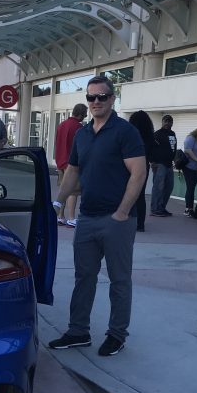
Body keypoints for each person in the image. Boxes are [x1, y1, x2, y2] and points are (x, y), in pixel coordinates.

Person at [48, 75, 147, 357]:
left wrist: (122, 212)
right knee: (84, 278)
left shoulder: (125, 132)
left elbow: (138, 174)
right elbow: (73, 173)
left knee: (119, 280)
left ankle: (117, 335)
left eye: (101, 97)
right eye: (90, 97)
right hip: (87, 219)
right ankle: (78, 331)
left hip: (117, 220)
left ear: (112, 99)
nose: (95, 102)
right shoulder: (82, 134)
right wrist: (57, 203)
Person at [54, 104, 88, 227]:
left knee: (63, 189)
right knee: (73, 191)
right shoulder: (79, 127)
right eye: (84, 114)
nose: (84, 117)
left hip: (60, 161)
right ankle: (72, 218)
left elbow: (56, 143)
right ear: (81, 113)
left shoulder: (61, 125)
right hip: (72, 164)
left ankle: (60, 216)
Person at [128, 111, 156, 232]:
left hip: (129, 165)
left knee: (128, 193)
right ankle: (140, 224)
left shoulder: (130, 134)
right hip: (144, 166)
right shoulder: (150, 137)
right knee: (140, 195)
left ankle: (128, 218)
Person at [150, 114, 177, 217]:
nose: (167, 123)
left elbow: (173, 147)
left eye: (169, 121)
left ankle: (161, 208)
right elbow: (151, 148)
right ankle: (155, 209)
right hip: (159, 164)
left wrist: (175, 159)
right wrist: (152, 162)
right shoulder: (157, 134)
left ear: (172, 123)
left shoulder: (172, 133)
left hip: (169, 164)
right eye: (165, 121)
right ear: (162, 122)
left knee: (169, 186)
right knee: (158, 187)